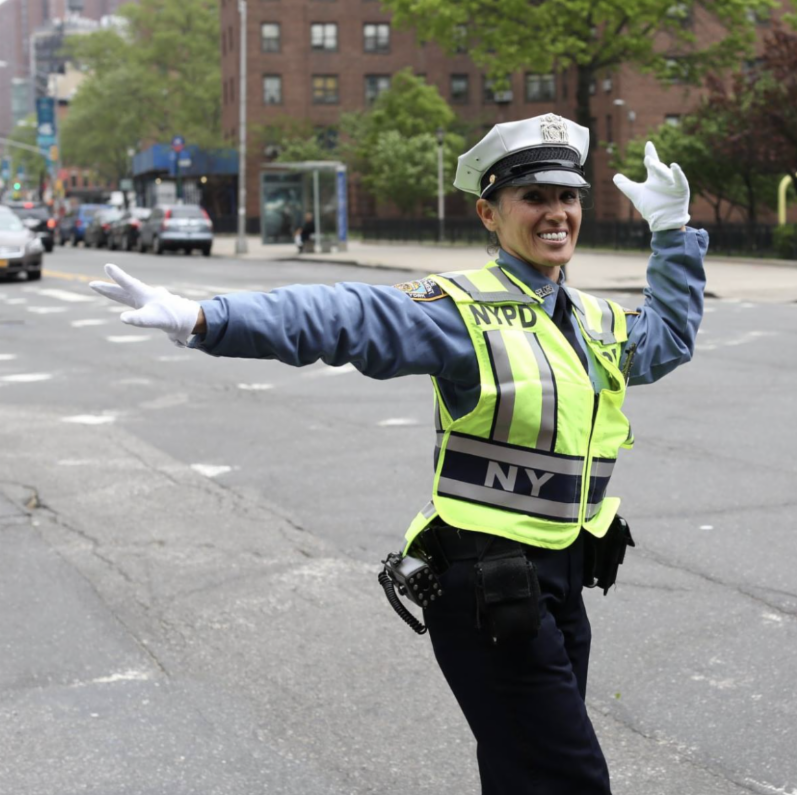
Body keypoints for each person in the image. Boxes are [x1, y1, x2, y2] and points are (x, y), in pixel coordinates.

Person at [89, 113, 707, 794]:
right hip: (488, 582)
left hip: (560, 576)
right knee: (567, 778)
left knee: (524, 768)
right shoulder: (461, 310)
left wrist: (673, 235)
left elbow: (667, 340)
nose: (557, 212)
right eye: (534, 198)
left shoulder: (592, 319)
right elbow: (343, 315)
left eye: (568, 197)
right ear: (489, 214)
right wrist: (206, 318)